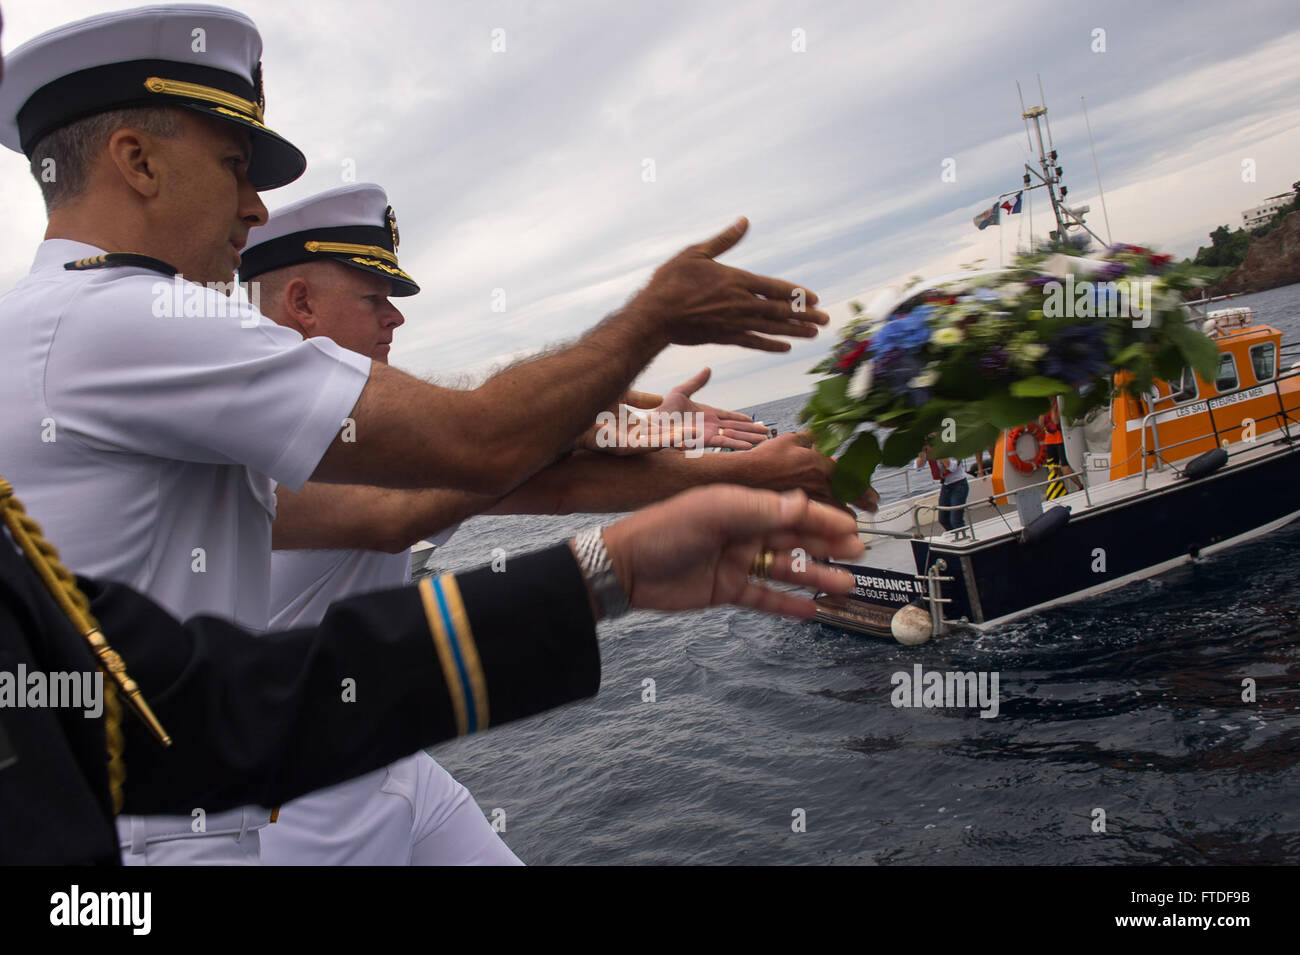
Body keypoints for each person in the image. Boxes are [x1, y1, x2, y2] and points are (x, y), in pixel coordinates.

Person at [0, 5, 828, 863]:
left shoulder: (62, 329)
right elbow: (477, 448)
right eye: (234, 166)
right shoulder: (127, 320)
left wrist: (723, 476)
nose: (252, 208)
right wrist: (652, 319)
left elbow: (459, 483)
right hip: (209, 811)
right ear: (136, 160)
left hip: (254, 774)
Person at [235, 183, 865, 864]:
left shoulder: (352, 416)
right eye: (373, 299)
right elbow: (479, 461)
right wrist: (701, 447)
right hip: (293, 804)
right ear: (300, 303)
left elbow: (528, 470)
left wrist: (714, 459)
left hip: (390, 762)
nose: (395, 319)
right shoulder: (245, 418)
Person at [0, 474, 863, 864]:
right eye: (373, 288)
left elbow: (199, 708)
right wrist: (682, 461)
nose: (396, 313)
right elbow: (456, 472)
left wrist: (616, 568)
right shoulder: (266, 448)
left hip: (369, 769)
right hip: (286, 820)